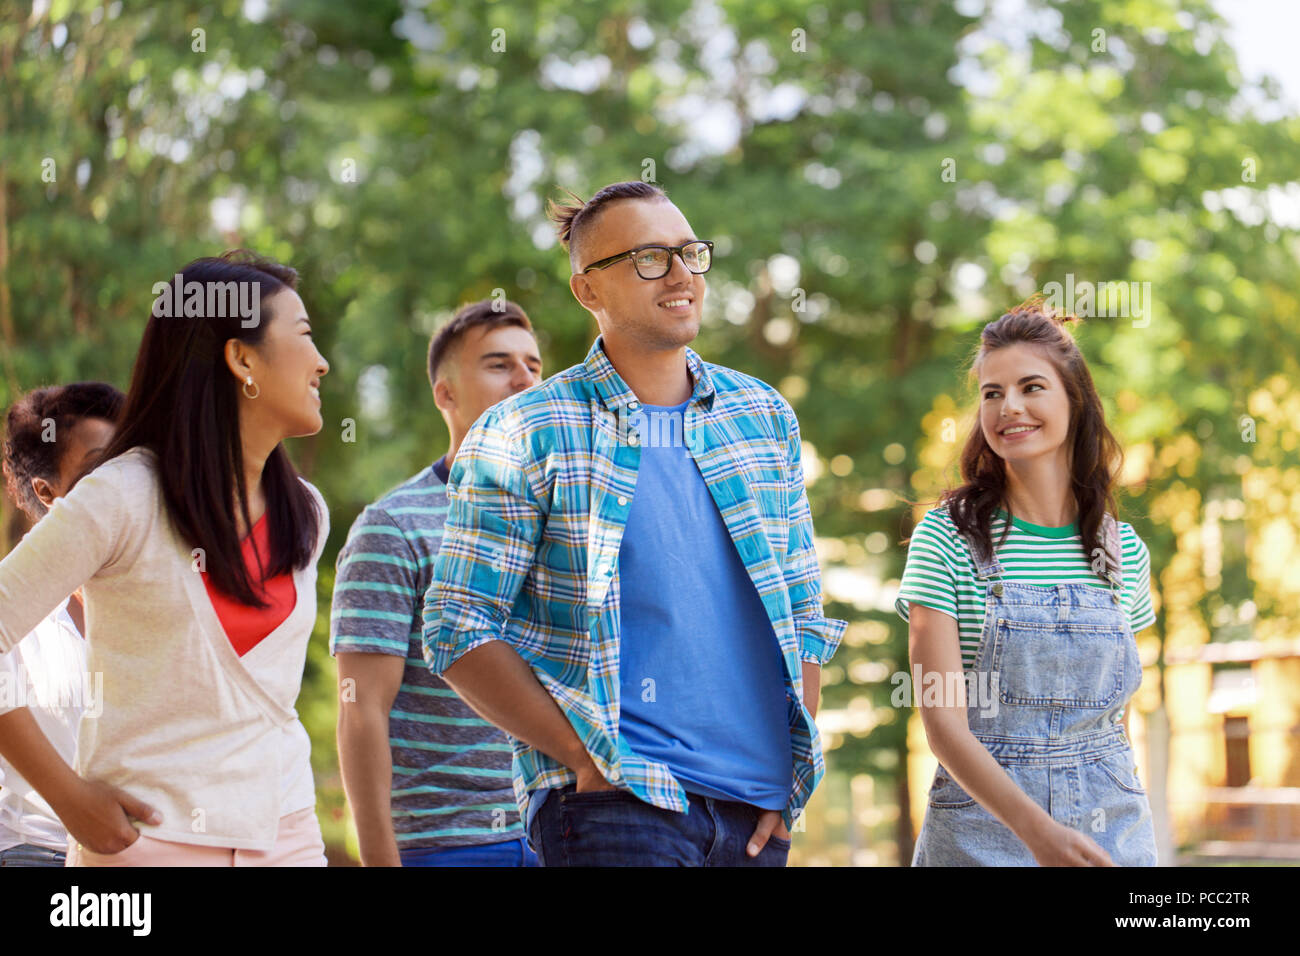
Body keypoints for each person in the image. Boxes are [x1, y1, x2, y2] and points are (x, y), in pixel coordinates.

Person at [422, 181, 846, 867]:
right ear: (588, 290)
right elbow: (458, 625)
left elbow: (802, 612)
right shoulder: (524, 430)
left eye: (690, 253)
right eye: (650, 258)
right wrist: (586, 758)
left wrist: (787, 782)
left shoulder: (762, 415)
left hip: (755, 815)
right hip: (617, 807)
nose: (681, 275)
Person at [0, 250, 332, 866]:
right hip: (143, 847)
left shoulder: (306, 511)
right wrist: (66, 797)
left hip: (287, 838)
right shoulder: (122, 496)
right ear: (241, 359)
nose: (322, 363)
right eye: (305, 337)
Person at [896, 295, 1159, 866]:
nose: (1008, 407)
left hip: (1111, 830)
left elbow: (1118, 720)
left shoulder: (1124, 553)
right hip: (979, 835)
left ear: (1075, 400)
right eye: (992, 393)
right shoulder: (946, 540)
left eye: (1031, 387)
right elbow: (942, 723)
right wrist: (1039, 834)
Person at [331, 299, 543, 867]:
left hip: (566, 830)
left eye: (533, 366)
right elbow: (361, 707)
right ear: (445, 393)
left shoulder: (573, 519)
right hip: (447, 846)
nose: (523, 379)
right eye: (499, 365)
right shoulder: (393, 526)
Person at [0, 383, 123, 867]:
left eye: (128, 460)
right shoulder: (16, 606)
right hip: (39, 852)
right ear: (47, 493)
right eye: (98, 467)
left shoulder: (167, 585)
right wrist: (72, 802)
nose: (121, 482)